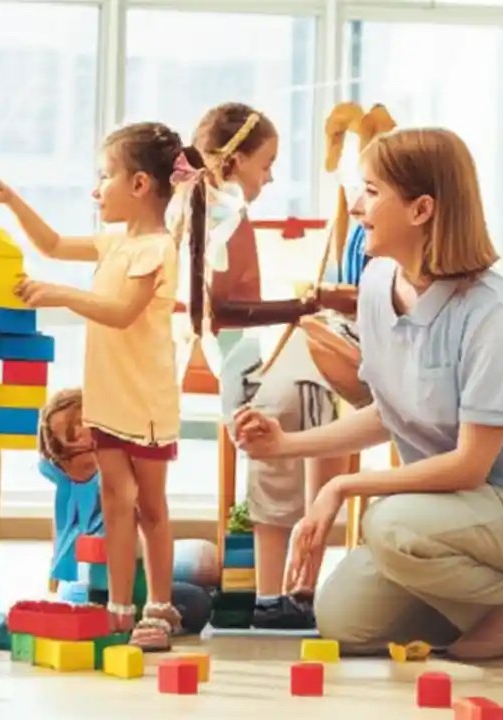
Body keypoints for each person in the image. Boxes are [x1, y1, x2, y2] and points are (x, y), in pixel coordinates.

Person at [234, 127, 503, 661]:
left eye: (371, 191)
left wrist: (342, 486)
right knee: (343, 623)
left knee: (387, 522)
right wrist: (284, 445)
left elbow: (469, 466)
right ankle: (501, 611)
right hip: (444, 514)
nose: (355, 208)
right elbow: (390, 412)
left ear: (421, 209)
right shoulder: (377, 283)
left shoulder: (491, 309)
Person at [0, 121, 188, 651]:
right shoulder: (115, 244)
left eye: (105, 176)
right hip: (108, 397)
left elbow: (122, 313)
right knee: (115, 501)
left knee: (151, 507)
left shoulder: (156, 249)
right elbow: (49, 244)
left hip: (144, 402)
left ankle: (158, 607)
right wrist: (11, 200)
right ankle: (119, 609)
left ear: (140, 184)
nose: (97, 189)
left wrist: (60, 296)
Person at [176, 102, 356, 629]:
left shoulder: (208, 209)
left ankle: (281, 593)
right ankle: (291, 592)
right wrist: (304, 308)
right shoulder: (225, 216)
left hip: (241, 369)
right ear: (234, 162)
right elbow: (218, 308)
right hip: (247, 372)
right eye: (266, 162)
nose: (271, 175)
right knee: (305, 395)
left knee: (289, 431)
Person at [37, 389, 214, 635]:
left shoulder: (119, 453)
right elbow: (62, 524)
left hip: (142, 561)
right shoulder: (61, 472)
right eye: (66, 445)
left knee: (207, 559)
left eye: (79, 424)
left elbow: (149, 519)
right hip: (101, 579)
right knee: (197, 602)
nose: (78, 436)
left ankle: (162, 601)